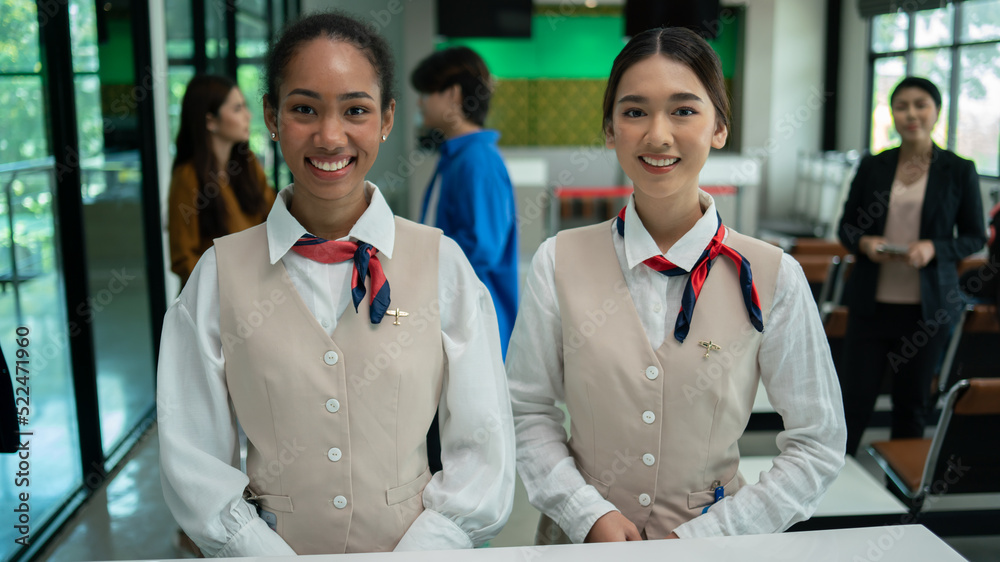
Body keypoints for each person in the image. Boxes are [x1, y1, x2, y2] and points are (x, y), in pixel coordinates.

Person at [157, 12, 515, 556]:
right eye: (304, 109)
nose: (329, 136)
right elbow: (193, 458)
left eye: (355, 110)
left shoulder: (443, 265)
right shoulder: (216, 276)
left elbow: (483, 446)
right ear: (272, 118)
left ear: (387, 118)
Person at [506, 27, 846, 544]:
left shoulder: (774, 275)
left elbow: (817, 443)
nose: (658, 135)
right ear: (609, 129)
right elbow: (526, 410)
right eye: (635, 111)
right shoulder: (559, 261)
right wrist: (584, 513)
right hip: (575, 544)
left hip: (716, 544)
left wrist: (716, 534)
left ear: (719, 127)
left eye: (684, 110)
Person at [837, 76, 986, 457]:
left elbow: (974, 236)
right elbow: (848, 226)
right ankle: (829, 492)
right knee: (852, 404)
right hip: (872, 305)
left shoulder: (958, 169)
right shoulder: (875, 165)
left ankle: (900, 506)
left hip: (927, 311)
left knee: (911, 407)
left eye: (921, 104)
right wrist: (865, 242)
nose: (911, 114)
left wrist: (934, 248)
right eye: (901, 106)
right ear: (892, 113)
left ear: (936, 112)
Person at [411, 47, 518, 357]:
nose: (420, 102)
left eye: (428, 92)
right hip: (460, 319)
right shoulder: (458, 157)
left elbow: (483, 248)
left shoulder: (477, 161)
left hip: (476, 327)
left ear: (454, 95)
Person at [168, 74, 276, 287]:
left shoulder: (247, 163)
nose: (248, 115)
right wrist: (225, 290)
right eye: (237, 109)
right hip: (213, 300)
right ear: (210, 121)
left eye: (245, 106)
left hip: (258, 288)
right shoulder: (188, 177)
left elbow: (275, 215)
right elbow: (183, 259)